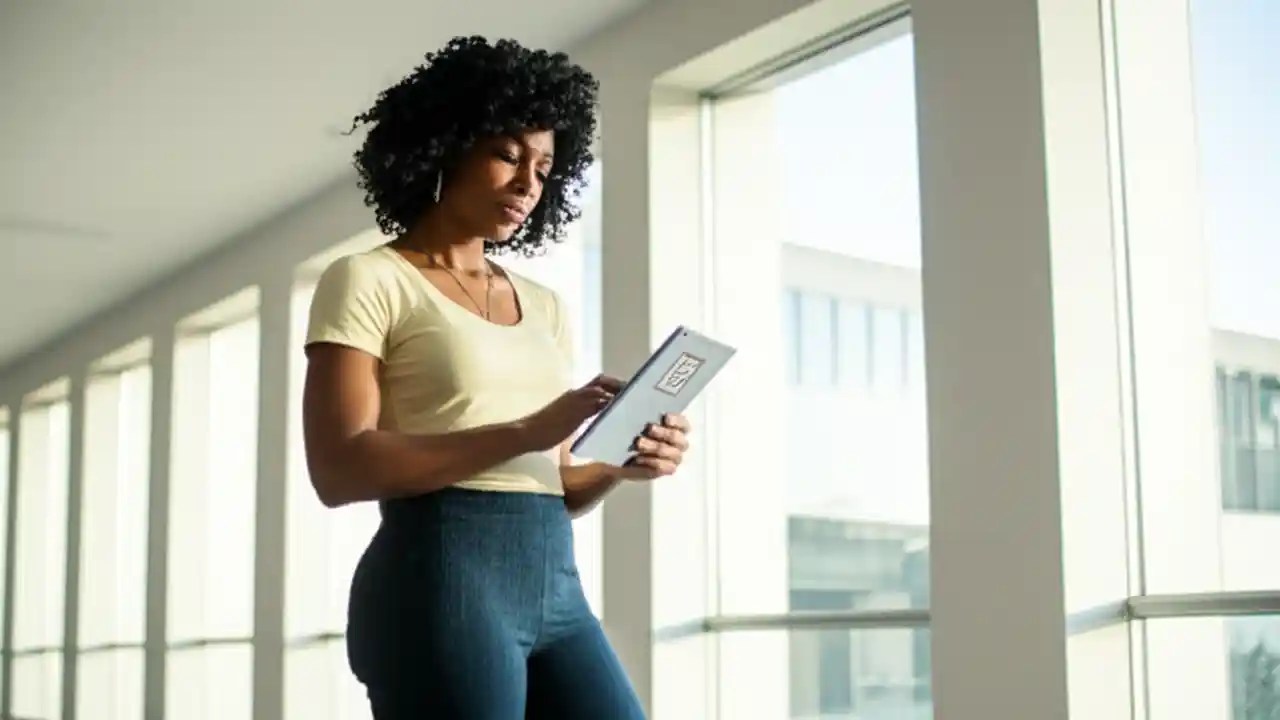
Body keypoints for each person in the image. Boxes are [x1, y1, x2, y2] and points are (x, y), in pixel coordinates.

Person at [300, 36, 690, 719]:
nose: (527, 185)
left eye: (544, 169)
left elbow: (556, 481)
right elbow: (339, 467)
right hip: (441, 583)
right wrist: (528, 429)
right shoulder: (368, 279)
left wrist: (622, 464)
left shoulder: (543, 304)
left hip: (556, 585)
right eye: (508, 155)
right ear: (446, 146)